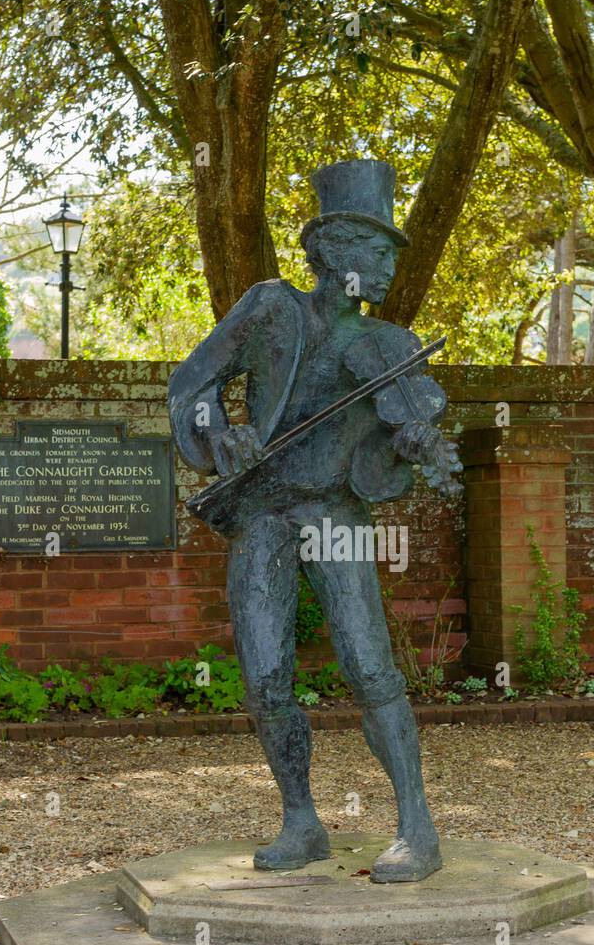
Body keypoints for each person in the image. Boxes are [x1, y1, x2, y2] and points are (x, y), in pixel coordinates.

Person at [168, 160, 461, 882]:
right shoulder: (270, 308)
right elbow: (191, 386)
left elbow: (386, 458)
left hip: (334, 513)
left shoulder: (393, 346)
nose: (391, 263)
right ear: (331, 248)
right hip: (263, 511)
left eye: (394, 252)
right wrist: (219, 437)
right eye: (377, 248)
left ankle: (415, 826)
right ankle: (300, 819)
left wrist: (414, 443)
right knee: (264, 677)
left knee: (368, 665)